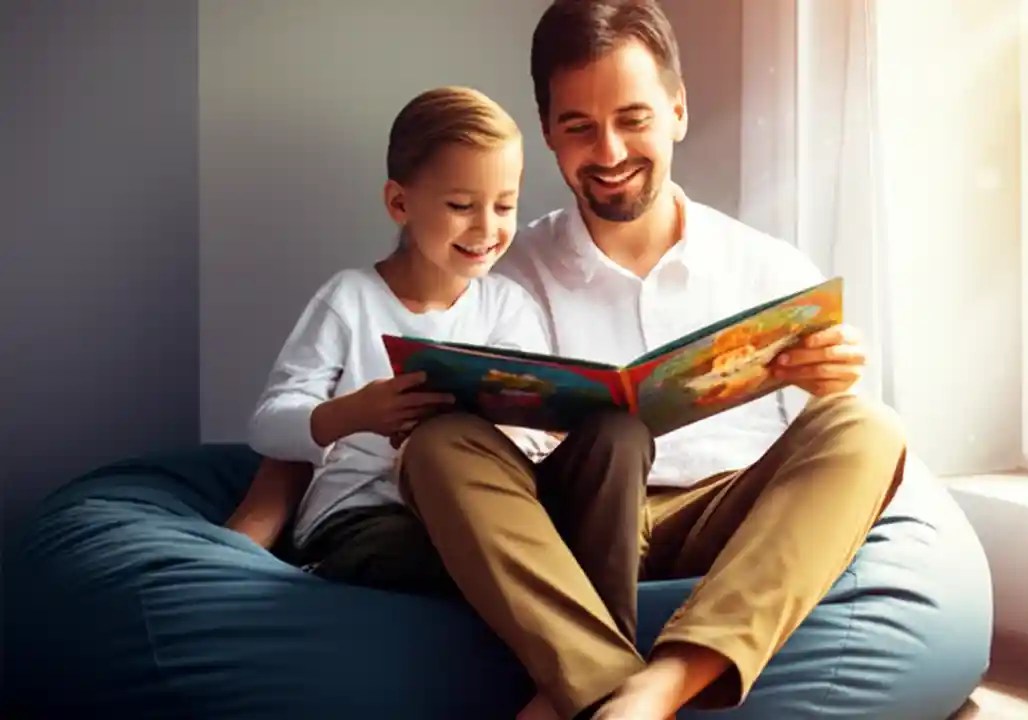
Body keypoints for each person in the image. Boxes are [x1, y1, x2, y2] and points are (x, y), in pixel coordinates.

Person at [397, 2, 992, 720]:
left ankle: (658, 686)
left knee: (869, 428)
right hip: (568, 534)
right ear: (548, 132)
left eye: (634, 119)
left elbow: (831, 460)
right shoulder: (500, 272)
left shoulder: (767, 268)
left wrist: (833, 377)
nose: (609, 152)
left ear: (677, 109)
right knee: (436, 448)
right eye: (579, 127)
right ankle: (602, 681)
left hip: (729, 522)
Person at [229, 86, 654, 719]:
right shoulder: (351, 300)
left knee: (620, 434)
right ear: (400, 203)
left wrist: (544, 425)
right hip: (370, 519)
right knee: (472, 538)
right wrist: (356, 413)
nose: (487, 229)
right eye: (461, 206)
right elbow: (270, 423)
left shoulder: (506, 307)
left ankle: (580, 684)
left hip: (496, 507)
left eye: (504, 206)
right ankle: (615, 690)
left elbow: (535, 437)